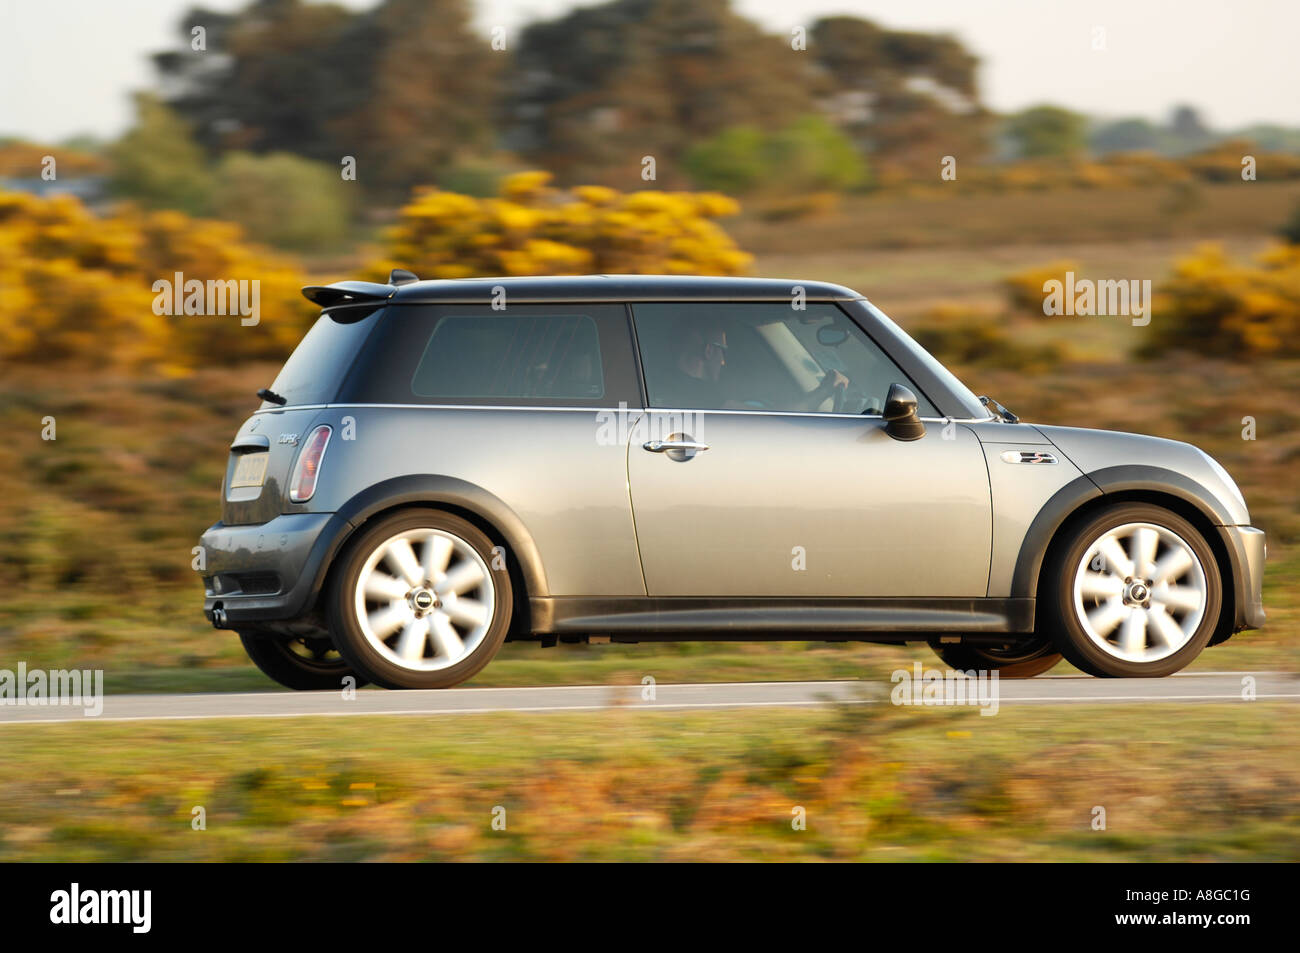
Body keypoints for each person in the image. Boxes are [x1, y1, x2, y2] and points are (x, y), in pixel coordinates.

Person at [659, 317, 849, 411]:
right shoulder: (698, 395)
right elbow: (775, 420)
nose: (724, 362)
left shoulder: (665, 387)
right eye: (723, 351)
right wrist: (825, 390)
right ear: (709, 351)